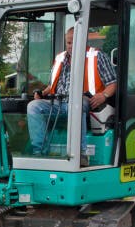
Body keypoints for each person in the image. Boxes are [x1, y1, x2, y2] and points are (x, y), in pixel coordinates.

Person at [27, 27, 117, 164]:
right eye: (68, 43)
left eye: (74, 43)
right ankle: (39, 153)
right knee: (33, 107)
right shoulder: (60, 58)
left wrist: (103, 95)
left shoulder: (96, 56)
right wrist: (42, 93)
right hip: (58, 103)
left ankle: (80, 154)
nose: (70, 46)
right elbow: (52, 85)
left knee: (74, 105)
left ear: (83, 42)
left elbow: (113, 83)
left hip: (84, 101)